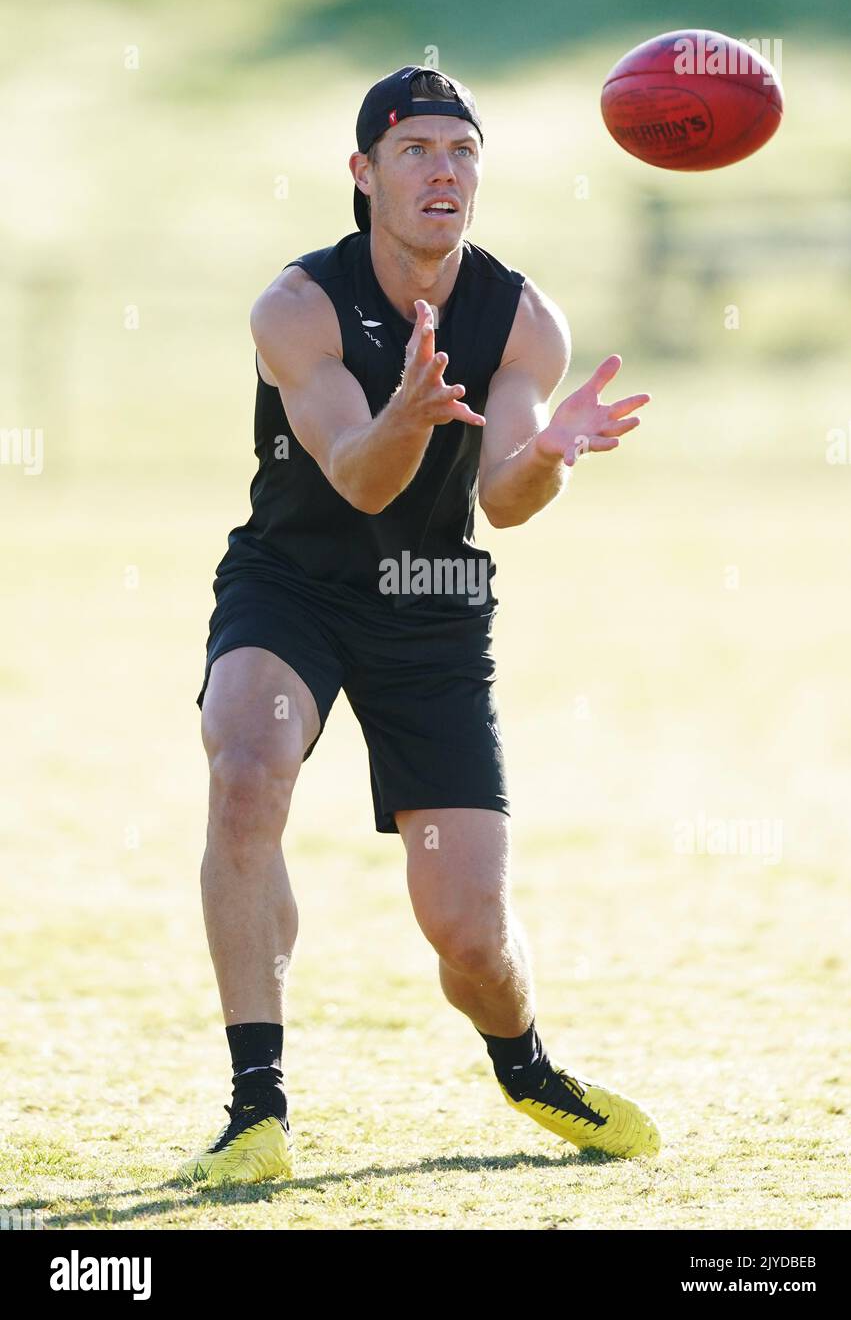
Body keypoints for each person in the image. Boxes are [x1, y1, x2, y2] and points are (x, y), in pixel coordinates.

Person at [181, 65, 659, 1184]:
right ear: (363, 174)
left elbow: (499, 499)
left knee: (470, 933)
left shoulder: (518, 315)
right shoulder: (296, 305)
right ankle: (258, 1106)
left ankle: (528, 1068)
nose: (441, 172)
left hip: (431, 608)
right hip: (291, 583)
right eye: (414, 152)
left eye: (460, 151)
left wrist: (544, 454)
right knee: (246, 760)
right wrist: (400, 411)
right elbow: (353, 474)